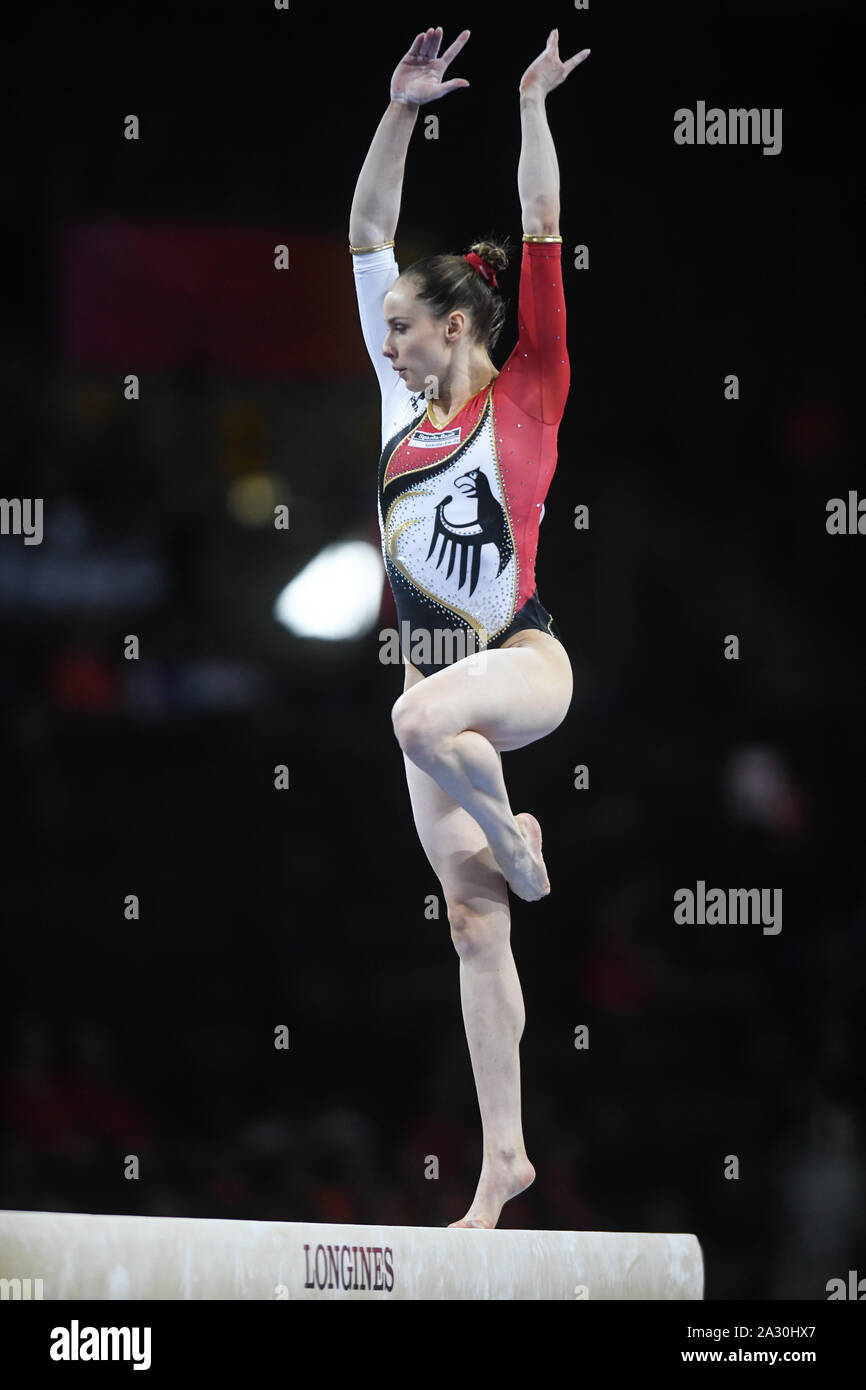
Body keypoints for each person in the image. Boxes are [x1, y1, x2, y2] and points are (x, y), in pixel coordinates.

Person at [349, 26, 590, 1229]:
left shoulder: (528, 386)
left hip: (520, 665)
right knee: (469, 916)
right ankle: (504, 1160)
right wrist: (399, 112)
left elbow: (538, 221)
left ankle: (519, 833)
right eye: (384, 324)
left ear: (453, 325)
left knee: (411, 716)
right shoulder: (404, 414)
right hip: (447, 713)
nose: (382, 342)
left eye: (400, 324)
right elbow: (362, 234)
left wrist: (527, 104)